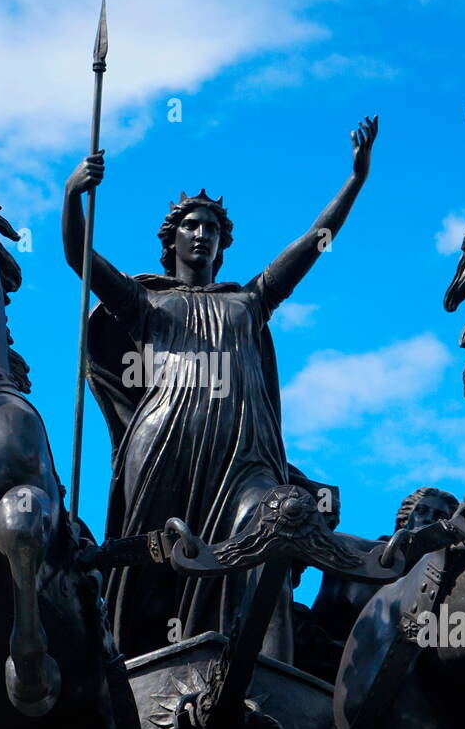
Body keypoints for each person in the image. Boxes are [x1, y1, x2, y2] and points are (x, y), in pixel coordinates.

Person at [63, 118, 378, 661]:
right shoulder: (147, 303)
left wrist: (356, 180)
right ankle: (140, 671)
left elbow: (310, 245)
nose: (202, 233)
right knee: (156, 574)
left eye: (212, 227)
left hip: (244, 455)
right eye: (192, 225)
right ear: (172, 239)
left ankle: (267, 681)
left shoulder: (249, 302)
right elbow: (79, 259)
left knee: (272, 532)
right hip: (165, 449)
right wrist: (72, 195)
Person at [298, 486, 458, 682]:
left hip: (372, 683)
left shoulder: (439, 592)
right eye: (421, 511)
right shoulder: (353, 548)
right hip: (308, 659)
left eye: (438, 517)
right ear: (404, 518)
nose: (426, 519)